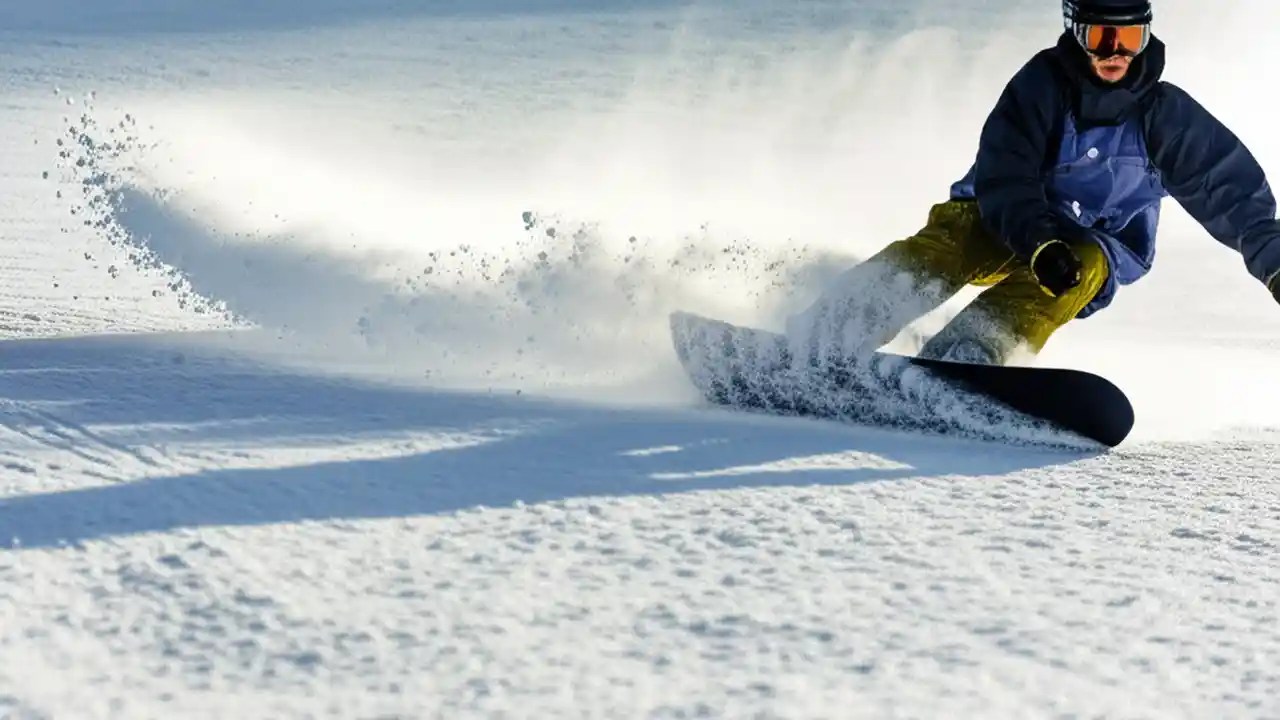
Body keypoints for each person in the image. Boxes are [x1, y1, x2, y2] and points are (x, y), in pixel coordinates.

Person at [787, 0, 1280, 368]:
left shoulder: (1166, 117)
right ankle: (836, 326)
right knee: (953, 242)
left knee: (1078, 268)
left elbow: (1234, 196)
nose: (1115, 53)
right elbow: (1006, 172)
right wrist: (1037, 239)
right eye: (1101, 37)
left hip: (1083, 250)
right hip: (1002, 220)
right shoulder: (1042, 85)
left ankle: (969, 356)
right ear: (1076, 33)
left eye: (1129, 40)